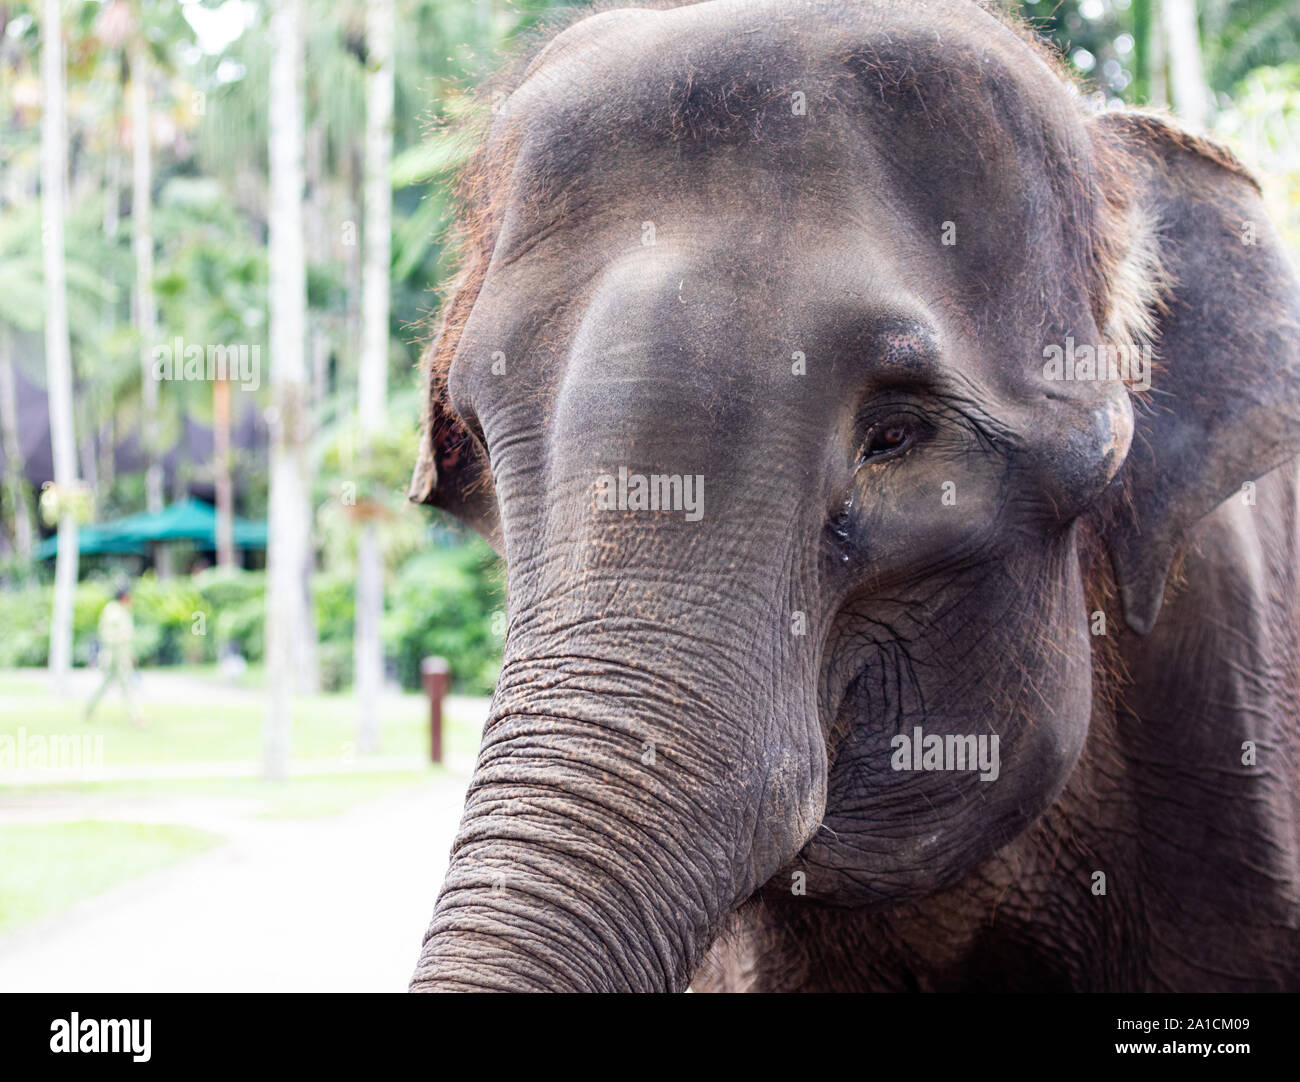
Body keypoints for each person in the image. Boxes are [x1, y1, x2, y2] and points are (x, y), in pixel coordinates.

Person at [86, 584, 144, 727]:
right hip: (115, 656)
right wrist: (123, 654)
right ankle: (136, 717)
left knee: (109, 684)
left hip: (121, 654)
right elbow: (111, 636)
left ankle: (89, 709)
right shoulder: (113, 611)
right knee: (125, 685)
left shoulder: (122, 611)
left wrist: (130, 653)